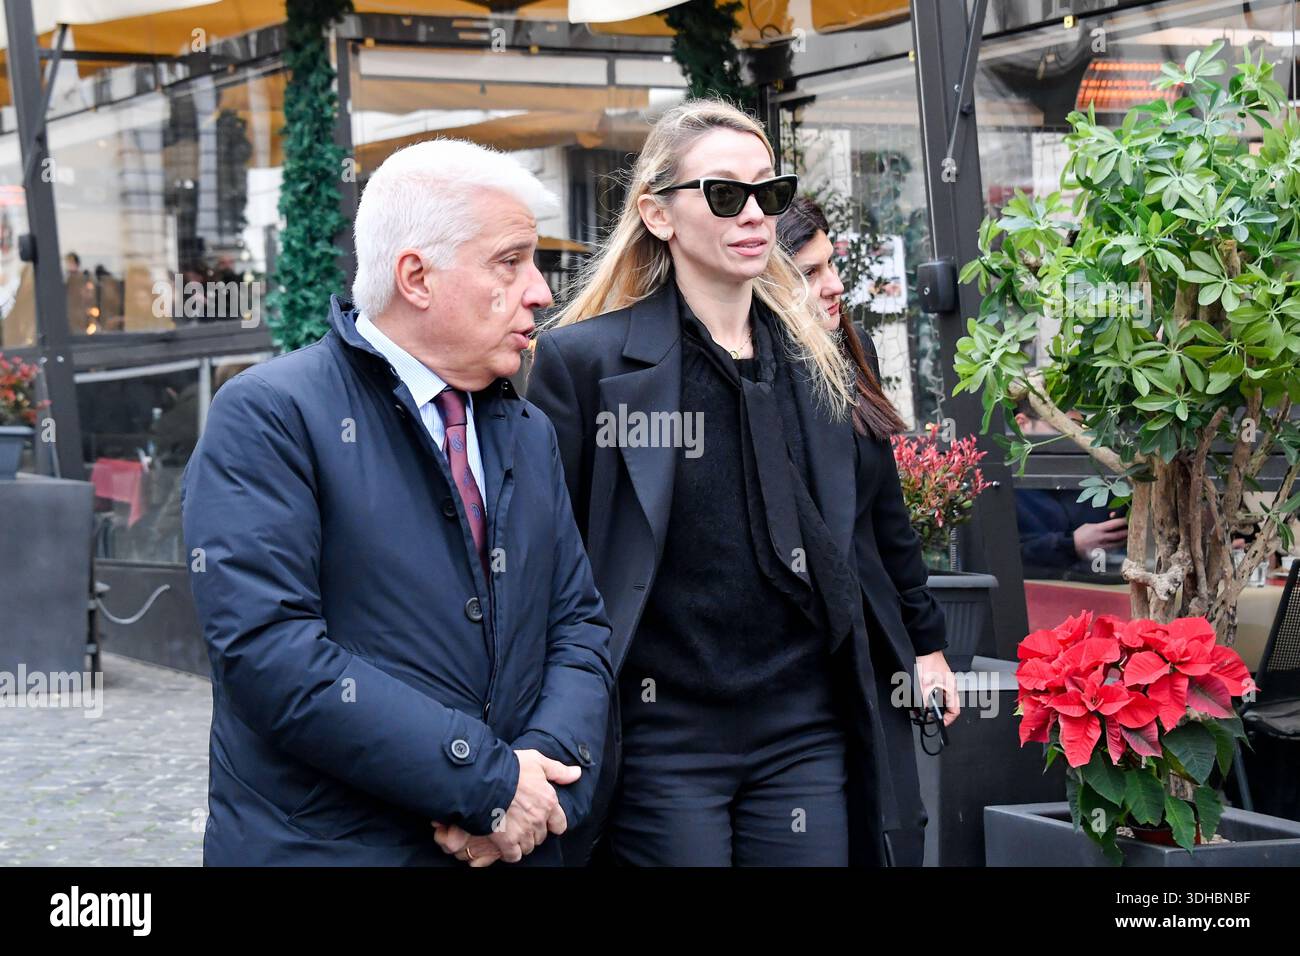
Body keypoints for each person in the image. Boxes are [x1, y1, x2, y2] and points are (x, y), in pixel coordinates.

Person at [528, 99, 957, 867]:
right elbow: (549, 562)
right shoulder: (585, 365)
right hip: (664, 728)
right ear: (659, 215)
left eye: (771, 191)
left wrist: (924, 644)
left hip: (805, 722)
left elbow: (865, 526)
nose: (754, 213)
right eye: (725, 195)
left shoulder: (816, 363)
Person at [181, 139, 614, 866]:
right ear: (416, 276)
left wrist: (537, 780)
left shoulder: (526, 430)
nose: (540, 290)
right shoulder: (268, 414)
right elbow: (271, 655)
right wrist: (487, 782)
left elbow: (576, 625)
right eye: (510, 262)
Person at [1012, 398, 1128, 579]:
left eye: (1080, 431)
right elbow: (1003, 555)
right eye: (1060, 430)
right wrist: (1071, 544)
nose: (1074, 440)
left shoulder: (1099, 474)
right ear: (1023, 424)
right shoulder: (1004, 482)